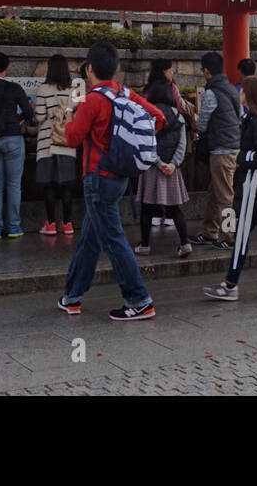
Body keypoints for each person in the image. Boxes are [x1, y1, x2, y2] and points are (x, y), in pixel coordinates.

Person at [55, 42, 166, 321]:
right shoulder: (125, 94)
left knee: (113, 240)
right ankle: (72, 296)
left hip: (97, 179)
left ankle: (139, 300)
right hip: (119, 177)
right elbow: (159, 117)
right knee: (91, 239)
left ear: (89, 68)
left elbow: (72, 138)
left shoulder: (92, 100)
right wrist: (128, 147)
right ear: (115, 68)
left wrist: (68, 115)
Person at [203, 76, 257, 300]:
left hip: (255, 189)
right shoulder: (255, 119)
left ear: (250, 94)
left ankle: (230, 285)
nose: (239, 92)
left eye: (242, 89)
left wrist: (241, 157)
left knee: (241, 236)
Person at [0, 52, 36, 241]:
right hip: (13, 138)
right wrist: (15, 120)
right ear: (7, 68)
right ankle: (14, 227)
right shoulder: (15, 88)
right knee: (13, 185)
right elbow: (28, 113)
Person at [135, 79, 193, 257]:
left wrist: (158, 163)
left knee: (147, 208)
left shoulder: (147, 114)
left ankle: (145, 245)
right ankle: (185, 244)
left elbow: (145, 144)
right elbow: (182, 145)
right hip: (172, 170)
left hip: (152, 169)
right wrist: (173, 164)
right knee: (174, 209)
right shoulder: (179, 116)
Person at [190, 51, 239, 249]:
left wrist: (194, 123)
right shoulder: (230, 89)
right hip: (232, 146)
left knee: (225, 196)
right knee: (215, 192)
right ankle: (209, 232)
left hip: (221, 150)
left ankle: (230, 236)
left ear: (207, 71)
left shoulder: (211, 93)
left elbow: (202, 124)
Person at [34, 54, 83, 235]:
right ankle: (68, 224)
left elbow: (39, 116)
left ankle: (51, 225)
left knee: (49, 185)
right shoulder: (75, 88)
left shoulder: (43, 89)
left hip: (47, 142)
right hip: (67, 141)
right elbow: (80, 116)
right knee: (66, 186)